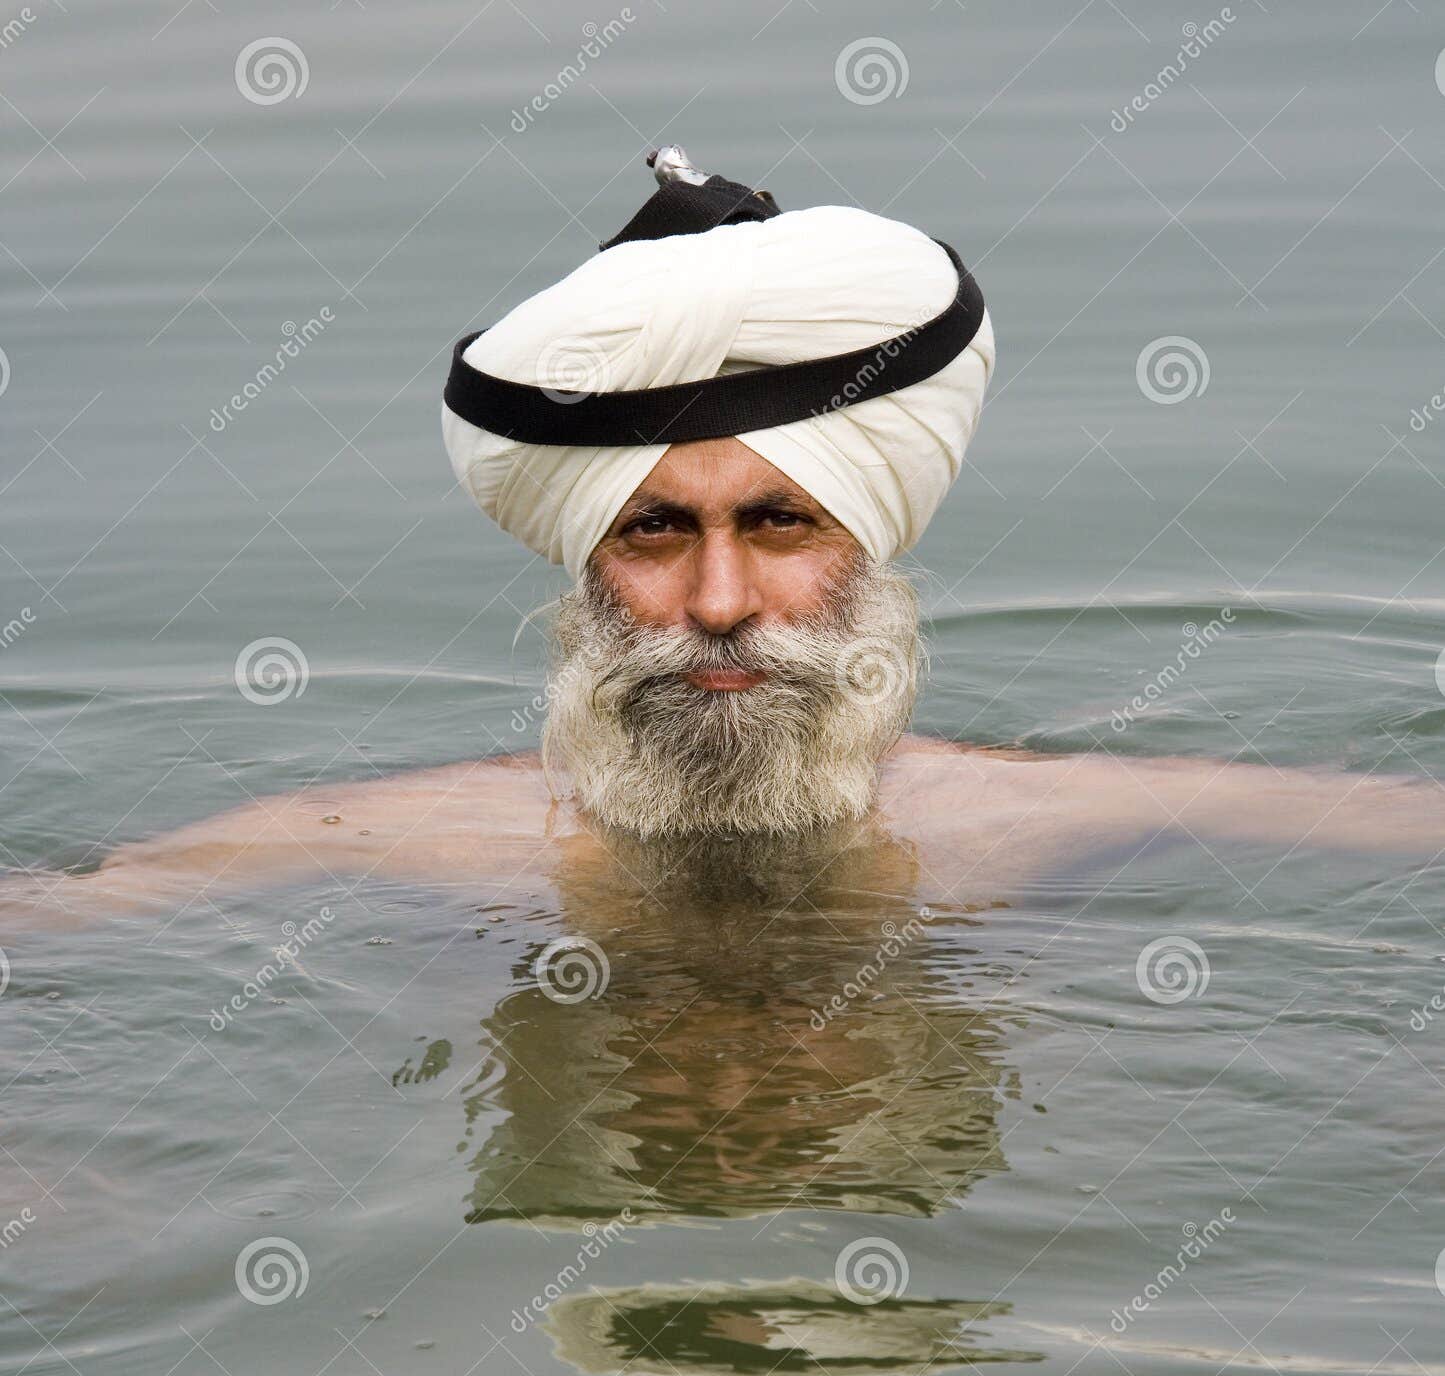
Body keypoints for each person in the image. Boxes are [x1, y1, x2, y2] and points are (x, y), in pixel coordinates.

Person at [7, 147, 1442, 927]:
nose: (715, 600)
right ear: (578, 572)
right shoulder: (423, 841)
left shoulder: (1023, 820)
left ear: (868, 546)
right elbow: (55, 923)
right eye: (651, 532)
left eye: (777, 523)